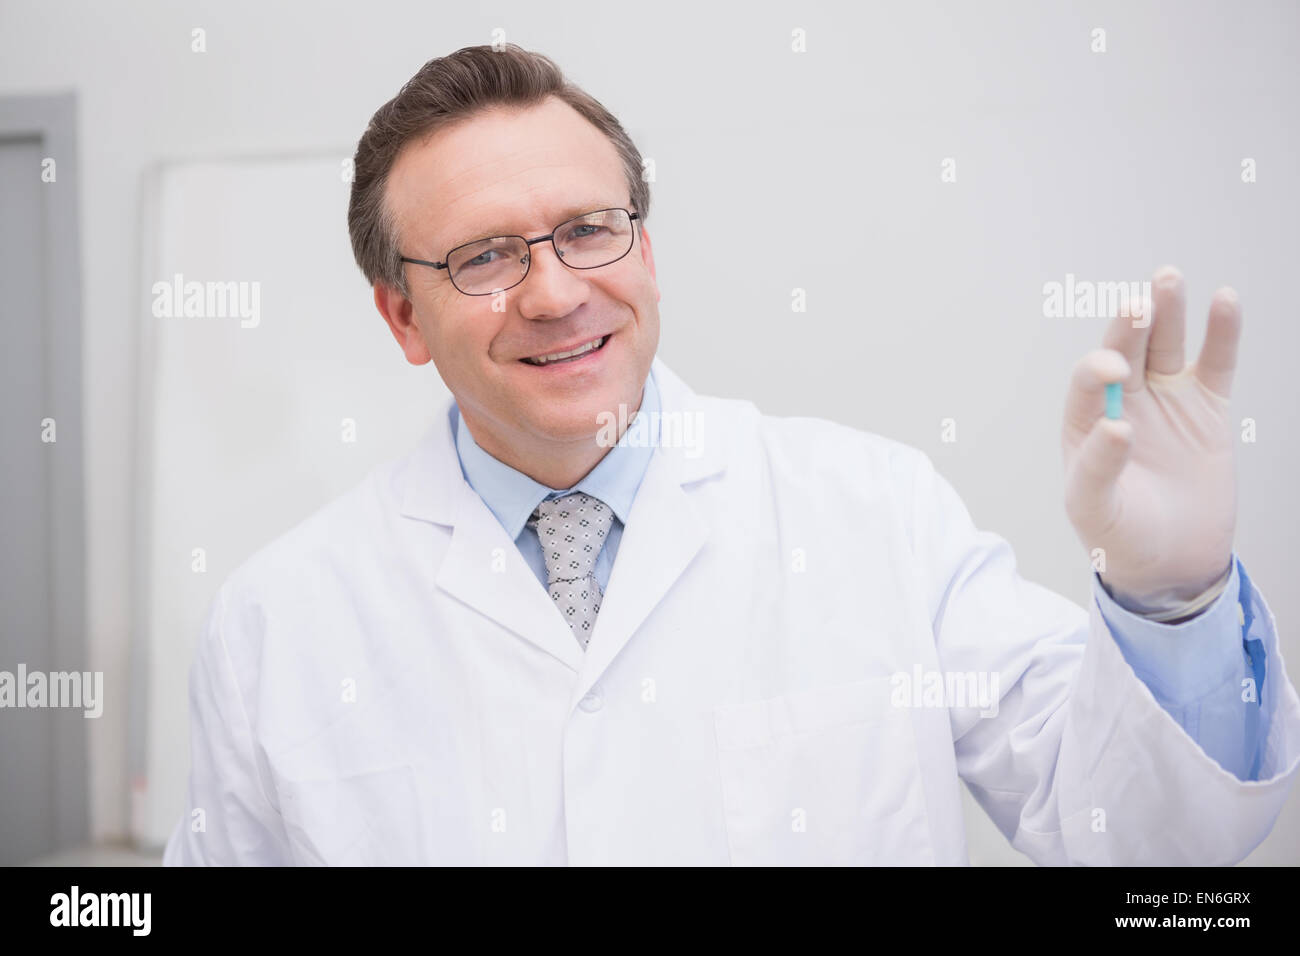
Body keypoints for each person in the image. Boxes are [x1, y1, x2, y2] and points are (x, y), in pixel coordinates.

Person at [163, 44, 1298, 866]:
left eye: (586, 230)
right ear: (401, 318)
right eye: (484, 257)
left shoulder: (874, 513)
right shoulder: (280, 620)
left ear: (645, 250)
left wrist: (1172, 598)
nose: (556, 292)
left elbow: (1147, 843)